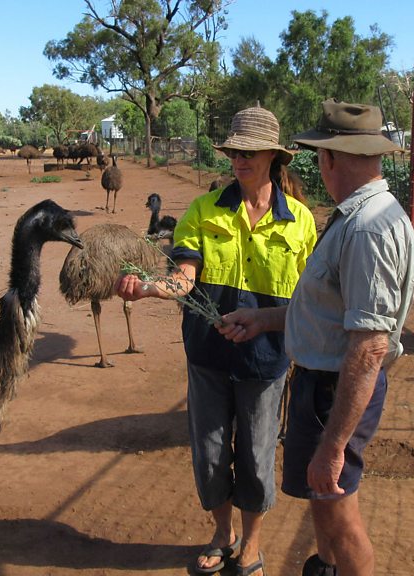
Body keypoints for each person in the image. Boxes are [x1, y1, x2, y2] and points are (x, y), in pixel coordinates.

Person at [217, 99, 414, 576]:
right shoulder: (360, 216)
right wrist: (266, 319)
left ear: (329, 158)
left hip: (336, 389)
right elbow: (332, 314)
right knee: (325, 505)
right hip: (325, 384)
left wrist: (332, 446)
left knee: (338, 512)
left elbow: (368, 347)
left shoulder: (368, 229)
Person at [116, 105, 316, 576]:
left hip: (266, 361)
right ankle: (222, 533)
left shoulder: (301, 222)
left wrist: (266, 322)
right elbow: (184, 279)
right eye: (233, 151)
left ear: (273, 156)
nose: (239, 159)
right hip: (207, 354)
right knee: (208, 454)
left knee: (256, 454)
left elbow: (308, 303)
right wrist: (148, 287)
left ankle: (252, 544)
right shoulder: (204, 210)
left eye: (250, 152)